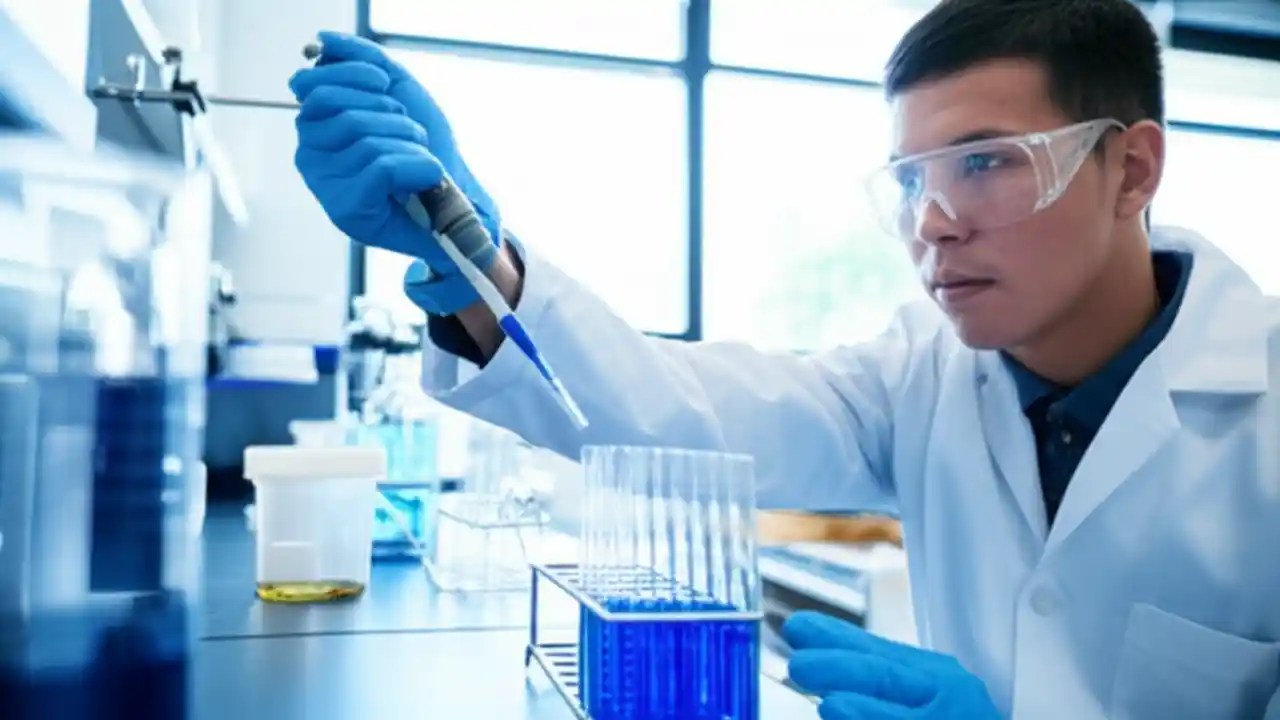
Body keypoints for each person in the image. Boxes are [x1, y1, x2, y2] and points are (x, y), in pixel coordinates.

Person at [289, 0, 1280, 717]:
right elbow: (682, 415)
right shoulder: (918, 375)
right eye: (909, 179)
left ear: (1132, 169)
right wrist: (468, 253)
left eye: (984, 163)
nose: (931, 223)